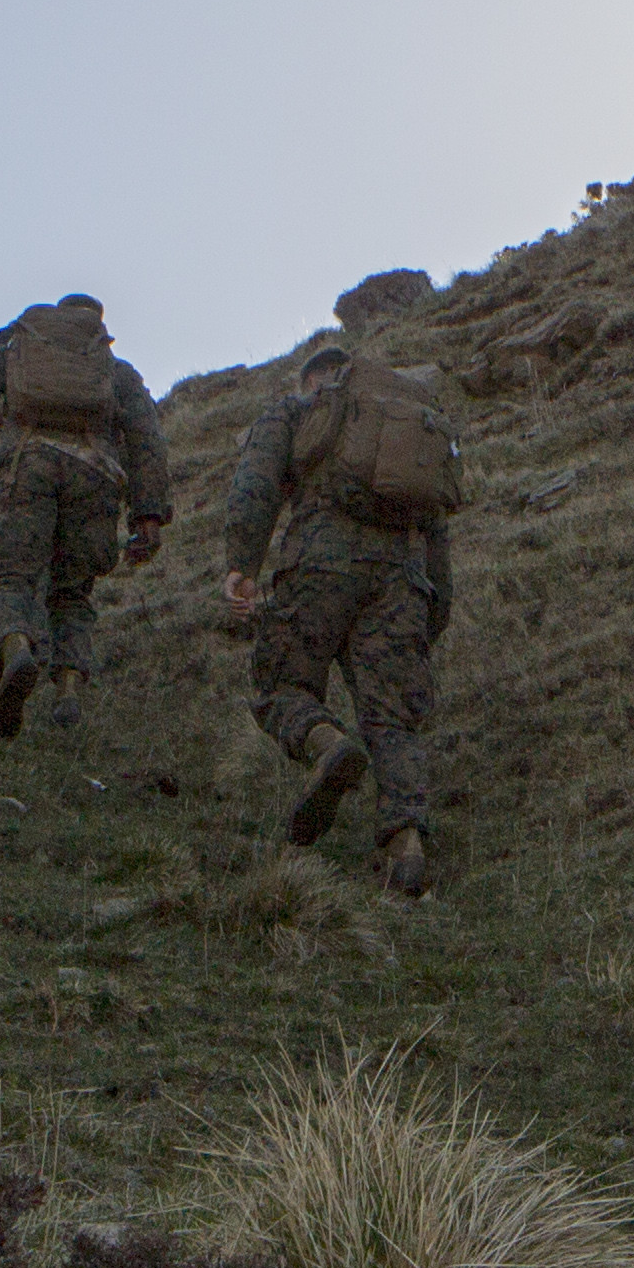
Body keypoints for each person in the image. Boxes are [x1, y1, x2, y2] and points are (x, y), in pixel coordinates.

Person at [221, 332, 461, 898]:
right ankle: (406, 847)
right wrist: (431, 616)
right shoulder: (404, 433)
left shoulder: (297, 411)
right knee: (392, 718)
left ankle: (328, 744)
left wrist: (241, 565)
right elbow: (437, 533)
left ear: (311, 379)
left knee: (281, 683)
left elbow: (255, 486)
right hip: (401, 580)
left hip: (319, 562)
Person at [0, 294, 168, 735]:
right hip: (97, 477)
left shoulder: (18, 350)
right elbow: (147, 436)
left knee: (9, 574)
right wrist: (147, 515)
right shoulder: (116, 371)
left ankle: (16, 648)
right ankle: (68, 691)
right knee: (73, 591)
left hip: (26, 466)